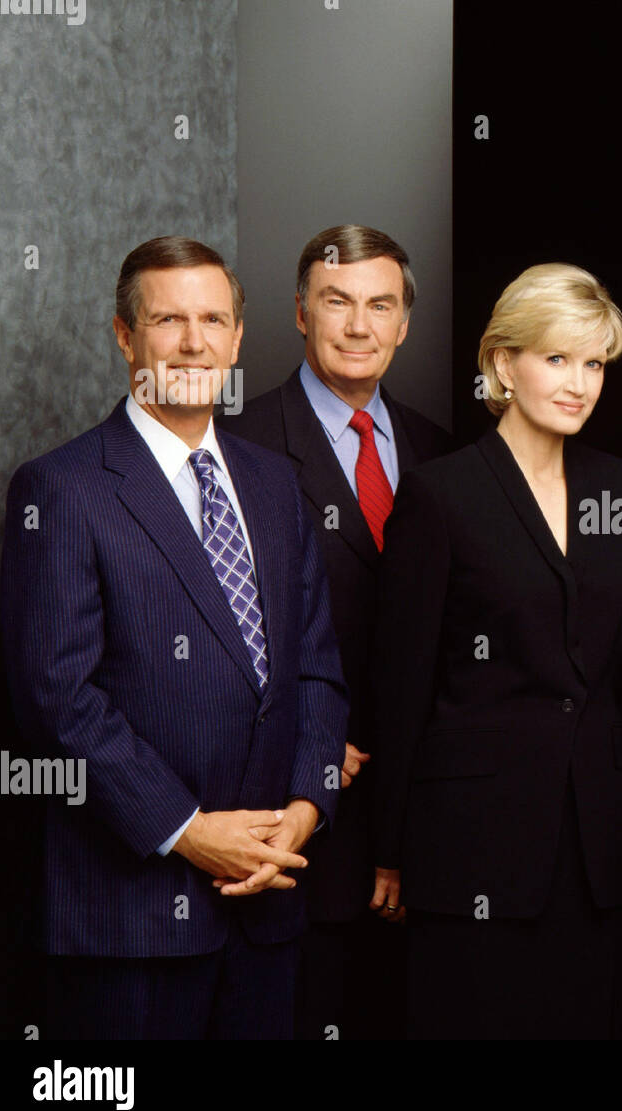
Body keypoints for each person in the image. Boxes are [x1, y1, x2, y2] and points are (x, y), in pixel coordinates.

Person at [0, 236, 348, 1039]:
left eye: (212, 320)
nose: (193, 342)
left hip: (267, 909)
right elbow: (56, 703)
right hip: (132, 923)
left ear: (236, 337)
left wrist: (302, 811)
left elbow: (316, 671)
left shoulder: (274, 484)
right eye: (168, 320)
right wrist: (189, 832)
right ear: (125, 336)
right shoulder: (62, 489)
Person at [373, 263, 622, 1039]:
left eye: (594, 362)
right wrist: (388, 851)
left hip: (595, 845)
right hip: (469, 847)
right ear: (503, 363)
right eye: (557, 358)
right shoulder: (440, 494)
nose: (580, 383)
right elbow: (403, 684)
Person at [221, 224, 450, 1039]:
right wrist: (310, 737)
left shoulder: (439, 449)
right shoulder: (236, 443)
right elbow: (213, 626)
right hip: (298, 806)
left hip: (423, 812)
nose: (358, 326)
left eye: (379, 305)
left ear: (404, 323)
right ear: (299, 314)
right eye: (337, 302)